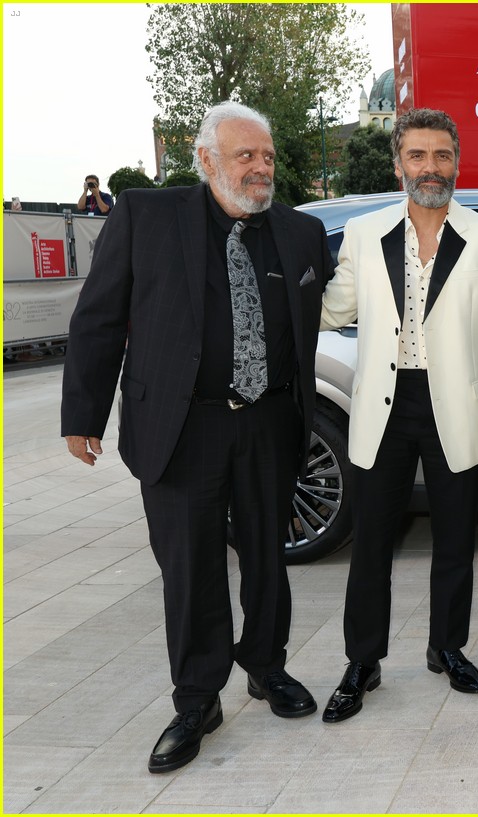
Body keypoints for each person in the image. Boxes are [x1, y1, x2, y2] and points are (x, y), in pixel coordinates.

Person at [61, 101, 330, 773]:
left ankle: (266, 667)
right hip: (182, 425)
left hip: (269, 421)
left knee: (267, 557)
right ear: (207, 159)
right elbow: (99, 316)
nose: (261, 167)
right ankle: (197, 699)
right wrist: (82, 413)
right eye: (246, 156)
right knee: (190, 566)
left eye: (267, 156)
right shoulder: (146, 216)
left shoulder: (299, 232)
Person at [317, 108, 478, 723]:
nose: (429, 167)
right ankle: (363, 661)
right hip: (383, 407)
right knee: (371, 545)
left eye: (441, 155)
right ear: (398, 165)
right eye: (417, 155)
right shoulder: (365, 233)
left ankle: (448, 647)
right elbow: (333, 309)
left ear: (457, 162)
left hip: (460, 407)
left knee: (456, 540)